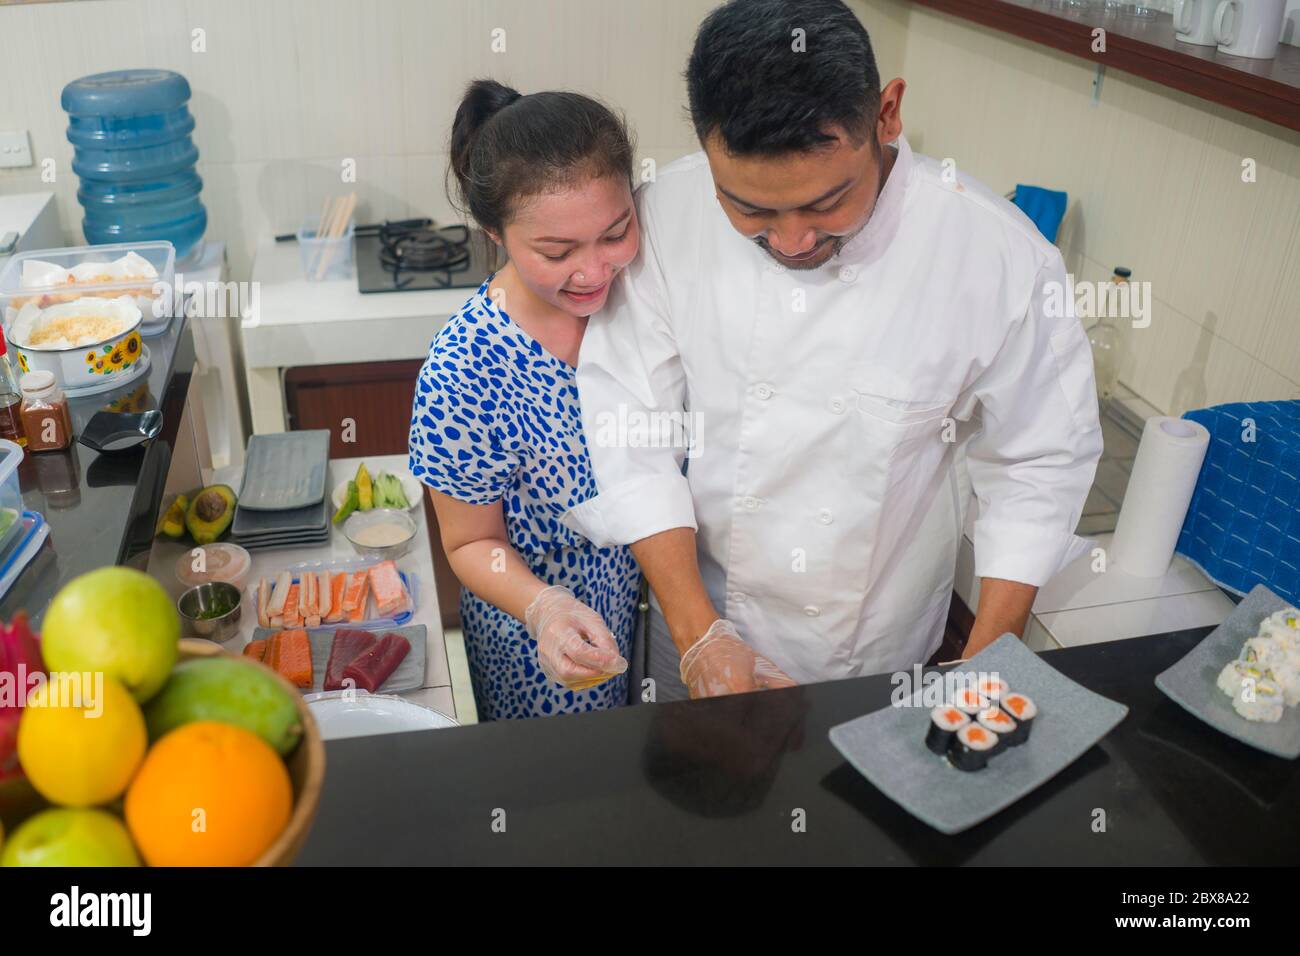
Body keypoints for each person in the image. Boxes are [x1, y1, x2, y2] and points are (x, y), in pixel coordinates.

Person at [565, 0, 1102, 700]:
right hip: (698, 614)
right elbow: (634, 430)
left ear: (887, 114)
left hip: (876, 649)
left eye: (826, 203)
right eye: (750, 209)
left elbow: (1037, 462)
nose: (791, 241)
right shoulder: (668, 218)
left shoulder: (995, 258)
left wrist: (990, 658)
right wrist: (700, 637)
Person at [408, 80, 642, 719]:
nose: (594, 272)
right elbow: (467, 543)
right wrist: (547, 608)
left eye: (615, 233)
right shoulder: (466, 368)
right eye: (557, 252)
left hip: (647, 611)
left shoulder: (644, 300)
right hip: (538, 645)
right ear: (495, 233)